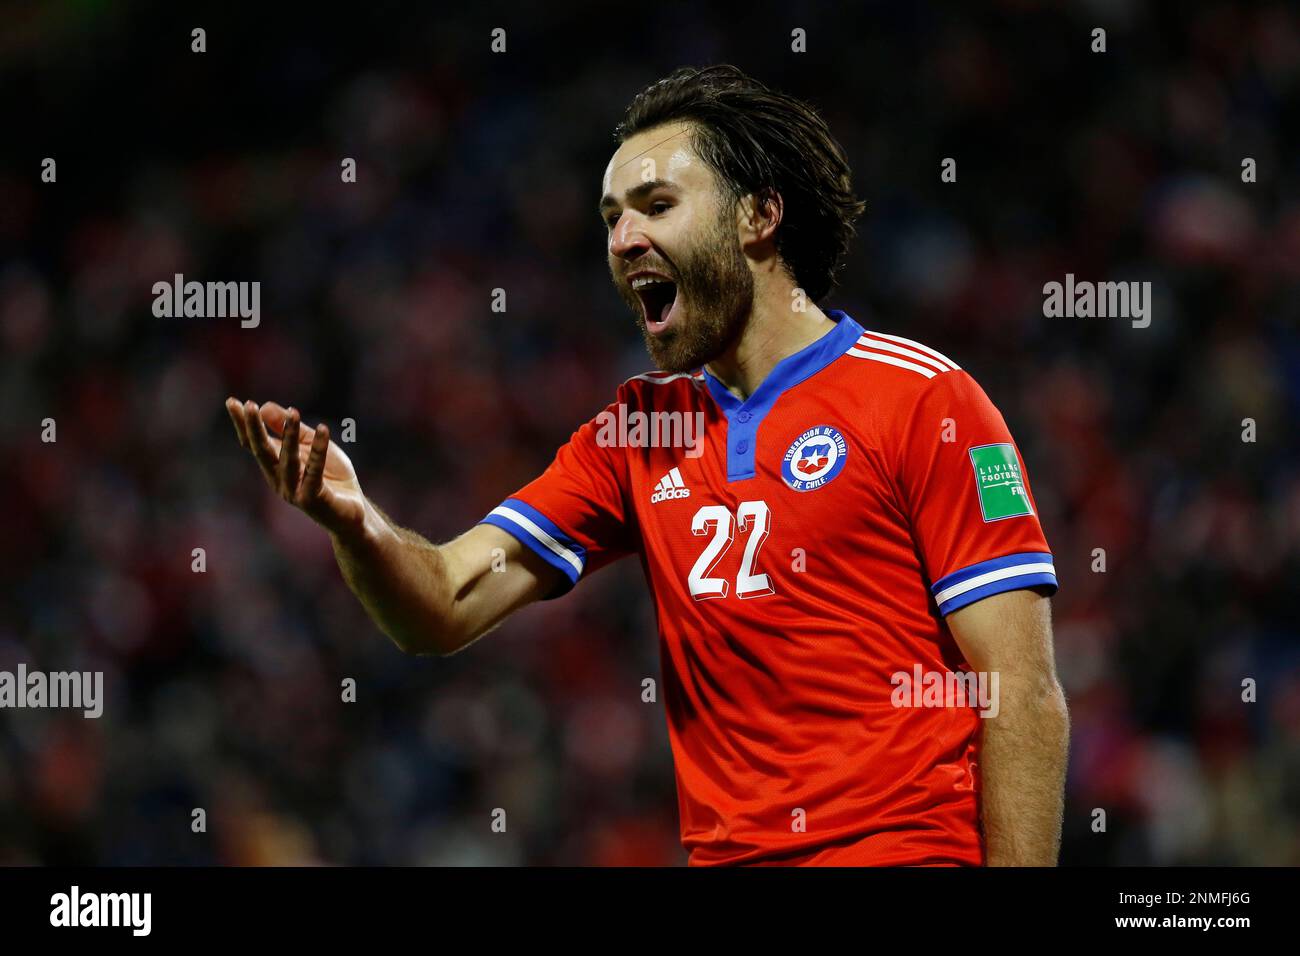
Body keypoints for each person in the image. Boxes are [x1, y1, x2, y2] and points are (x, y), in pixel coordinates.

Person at [225, 65, 1069, 866]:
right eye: (610, 218)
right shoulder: (638, 431)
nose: (625, 239)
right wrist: (356, 520)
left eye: (656, 204)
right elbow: (442, 605)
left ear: (757, 217)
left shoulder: (925, 401)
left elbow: (1021, 694)